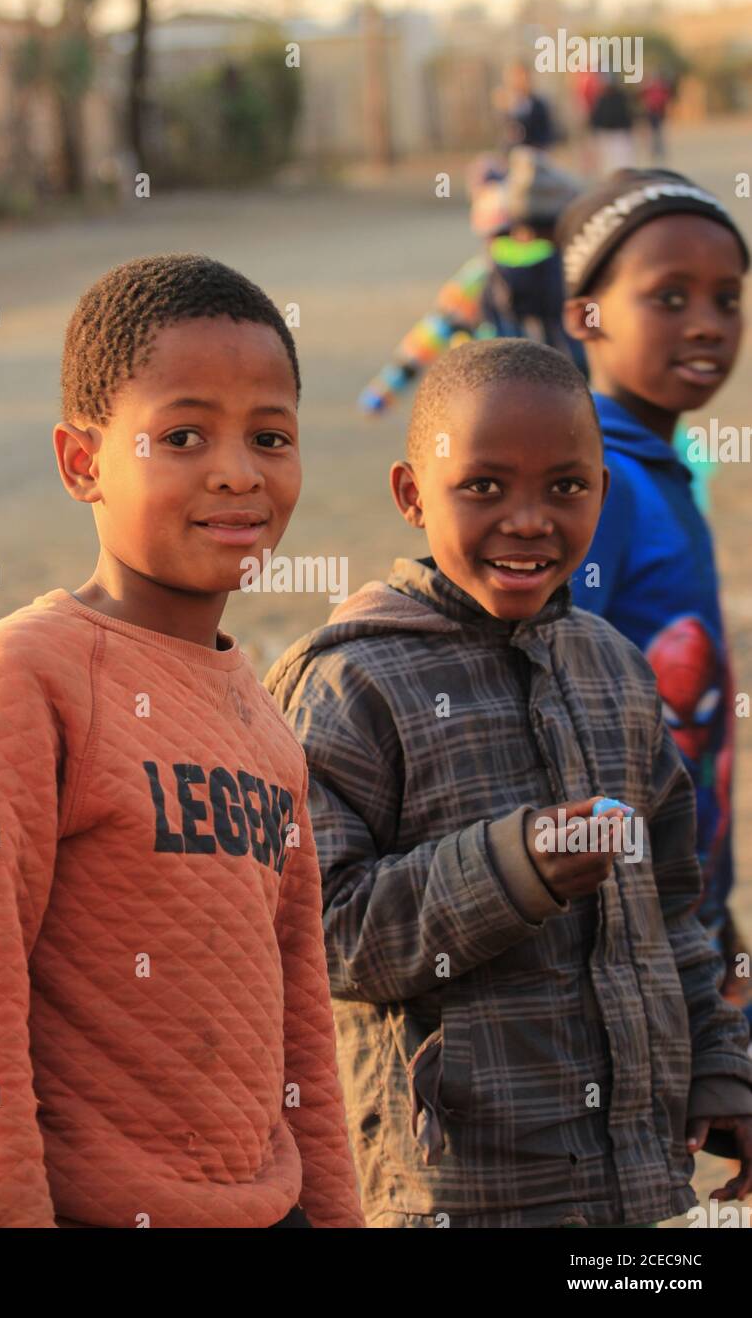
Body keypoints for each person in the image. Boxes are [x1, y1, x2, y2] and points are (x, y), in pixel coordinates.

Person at [0, 253, 364, 1230]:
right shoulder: (24, 681)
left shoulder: (265, 720)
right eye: (182, 434)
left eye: (269, 436)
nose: (237, 469)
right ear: (82, 462)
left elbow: (302, 1024)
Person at [265, 338, 752, 1228]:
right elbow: (317, 937)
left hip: (640, 1191)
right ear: (413, 495)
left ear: (602, 494)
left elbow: (674, 908)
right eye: (484, 487)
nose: (529, 521)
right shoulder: (351, 685)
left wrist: (722, 1066)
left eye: (566, 487)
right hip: (456, 1194)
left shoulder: (615, 672)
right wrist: (510, 870)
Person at [557, 168, 752, 1027]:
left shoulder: (664, 468)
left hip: (687, 899)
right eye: (668, 297)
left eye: (727, 298)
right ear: (584, 316)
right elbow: (554, 703)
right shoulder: (596, 482)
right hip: (621, 923)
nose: (708, 322)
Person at [359, 146, 584, 414]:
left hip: (493, 397)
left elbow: (434, 331)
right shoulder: (571, 267)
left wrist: (387, 387)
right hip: (569, 394)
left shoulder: (479, 276)